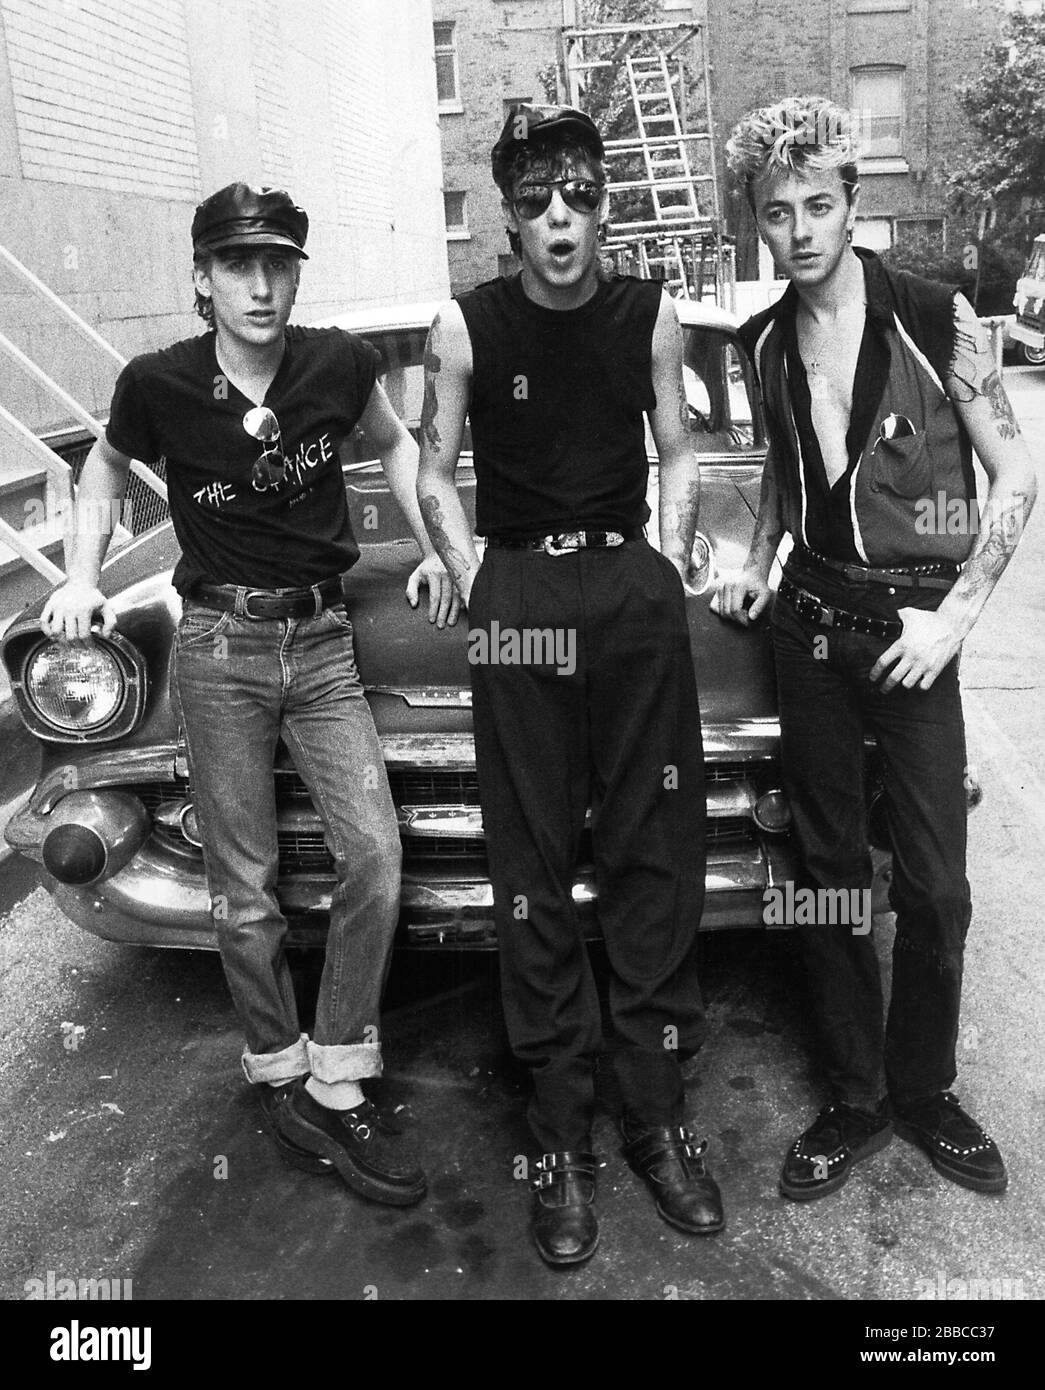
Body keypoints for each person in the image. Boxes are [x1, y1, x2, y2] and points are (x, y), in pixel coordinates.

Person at [40, 182, 459, 1205]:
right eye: (238, 265)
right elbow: (101, 471)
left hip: (320, 644)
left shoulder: (336, 363)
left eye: (278, 264)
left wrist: (443, 548)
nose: (261, 285)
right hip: (219, 644)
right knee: (244, 882)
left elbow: (398, 445)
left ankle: (337, 1062)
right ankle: (279, 1071)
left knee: (373, 852)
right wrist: (82, 574)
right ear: (202, 277)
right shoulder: (158, 382)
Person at [415, 105, 724, 1265]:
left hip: (630, 594)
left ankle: (656, 1117)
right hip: (521, 608)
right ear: (508, 212)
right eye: (539, 200)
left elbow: (679, 448)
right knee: (532, 863)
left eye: (582, 196)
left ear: (606, 203)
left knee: (656, 848)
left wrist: (671, 558)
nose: (561, 219)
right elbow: (433, 468)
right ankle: (560, 1142)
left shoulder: (650, 311)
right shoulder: (466, 324)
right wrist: (467, 573)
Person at [719, 97, 1036, 1200]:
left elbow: (1017, 476)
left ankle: (924, 1090)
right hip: (809, 631)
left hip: (914, 637)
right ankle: (854, 1096)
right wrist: (759, 558)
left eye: (818, 204)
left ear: (853, 205)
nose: (800, 229)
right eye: (777, 212)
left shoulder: (934, 314)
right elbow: (780, 469)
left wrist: (953, 618)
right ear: (756, 224)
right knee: (828, 878)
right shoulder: (760, 343)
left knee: (938, 888)